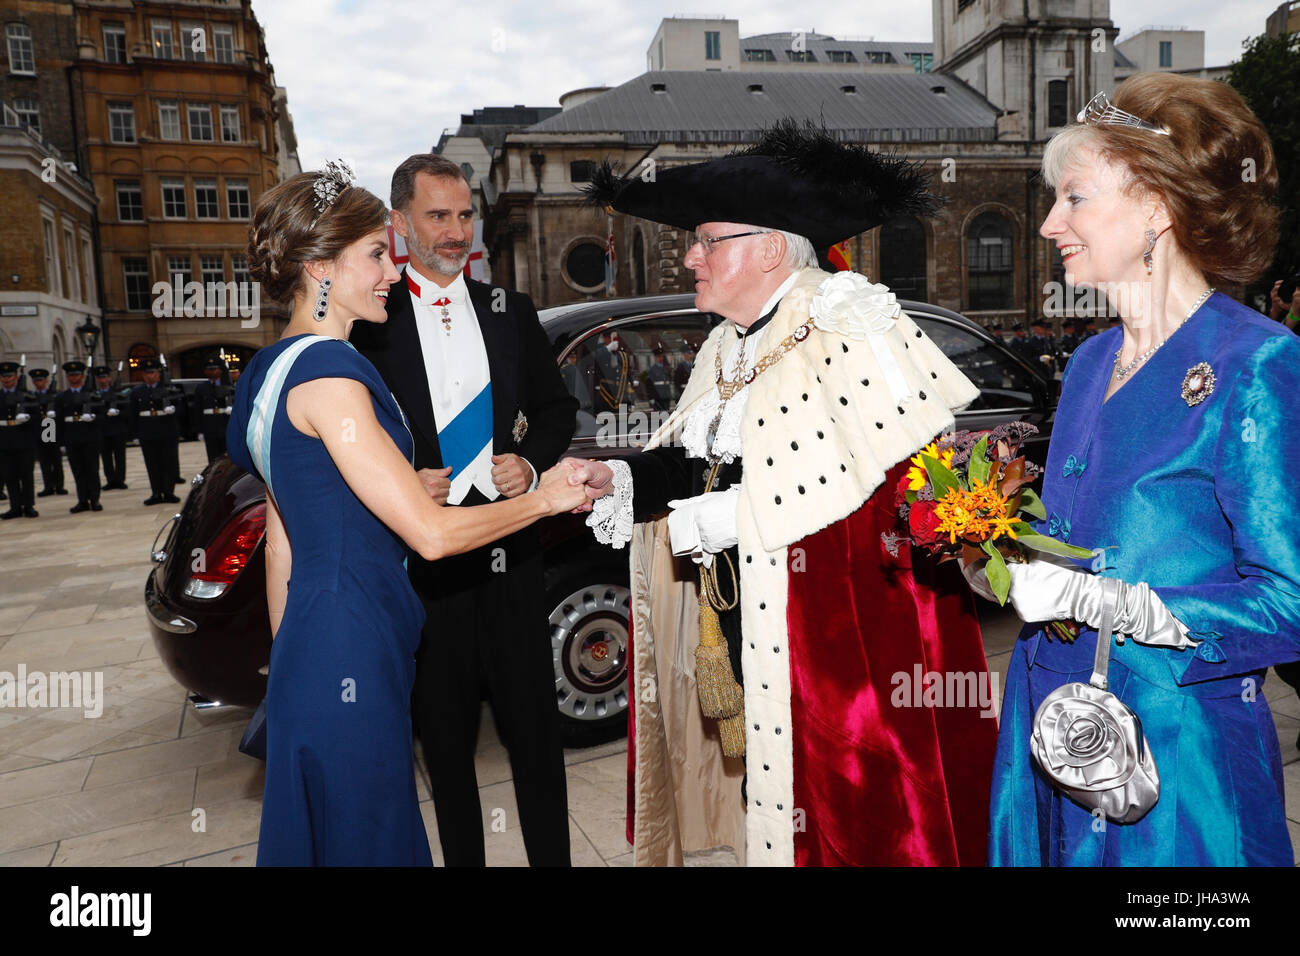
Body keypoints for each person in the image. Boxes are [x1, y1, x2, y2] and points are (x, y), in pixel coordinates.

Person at [565, 121, 998, 866]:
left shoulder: (852, 320)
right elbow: (701, 459)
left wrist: (727, 518)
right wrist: (624, 478)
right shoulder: (728, 339)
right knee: (774, 805)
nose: (691, 256)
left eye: (707, 239)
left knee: (849, 816)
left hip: (840, 642)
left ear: (769, 247)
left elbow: (891, 506)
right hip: (749, 620)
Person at [228, 164, 585, 867]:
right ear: (320, 267)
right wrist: (550, 497)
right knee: (370, 834)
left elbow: (281, 546)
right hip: (353, 637)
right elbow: (430, 535)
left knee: (331, 835)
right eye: (374, 255)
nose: (389, 270)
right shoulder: (333, 375)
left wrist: (294, 656)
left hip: (313, 642)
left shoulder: (269, 369)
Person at [985, 75, 1300, 866]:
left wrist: (1113, 603)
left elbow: (1288, 601)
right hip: (1052, 718)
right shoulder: (1090, 361)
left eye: (1075, 198)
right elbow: (1084, 535)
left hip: (1172, 758)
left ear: (1158, 207)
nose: (1052, 222)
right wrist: (996, 548)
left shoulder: (1255, 362)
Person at [350, 154, 579, 867]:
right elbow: (349, 435)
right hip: (427, 569)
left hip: (513, 557)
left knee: (536, 737)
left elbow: (555, 407)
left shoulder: (510, 311)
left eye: (464, 215)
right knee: (444, 746)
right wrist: (400, 479)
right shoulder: (370, 322)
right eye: (437, 216)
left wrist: (532, 462)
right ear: (399, 223)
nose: (455, 232)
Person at [128, 359, 180, 505]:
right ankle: (156, 492)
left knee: (168, 462)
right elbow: (132, 414)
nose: (149, 376)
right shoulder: (137, 392)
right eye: (146, 373)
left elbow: (183, 409)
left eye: (152, 373)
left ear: (158, 373)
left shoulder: (170, 389)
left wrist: (173, 409)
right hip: (147, 431)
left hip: (166, 430)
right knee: (152, 464)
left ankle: (169, 492)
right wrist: (134, 434)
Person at [54, 361, 103, 513]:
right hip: (72, 438)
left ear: (82, 376)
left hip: (89, 437)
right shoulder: (62, 397)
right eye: (70, 375)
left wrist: (93, 416)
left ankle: (94, 499)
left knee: (92, 470)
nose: (73, 378)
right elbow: (58, 421)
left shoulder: (93, 394)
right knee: (78, 471)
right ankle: (82, 500)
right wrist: (59, 441)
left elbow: (103, 416)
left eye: (76, 375)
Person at [0, 361, 38, 519]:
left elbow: (38, 419)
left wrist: (27, 417)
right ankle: (15, 506)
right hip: (4, 441)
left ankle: (28, 506)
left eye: (9, 376)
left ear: (16, 377)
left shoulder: (28, 395)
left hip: (24, 440)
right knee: (9, 476)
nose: (6, 379)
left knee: (26, 475)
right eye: (3, 377)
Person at [27, 368, 65, 497]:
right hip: (39, 432)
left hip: (53, 430)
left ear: (46, 380)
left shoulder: (55, 395)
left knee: (56, 461)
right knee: (44, 461)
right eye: (36, 380)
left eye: (41, 380)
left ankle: (59, 485)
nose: (39, 383)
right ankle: (48, 486)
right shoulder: (31, 397)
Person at [93, 366, 128, 489]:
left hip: (118, 429)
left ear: (109, 378)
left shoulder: (118, 393)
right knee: (106, 457)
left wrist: (118, 412)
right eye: (99, 378)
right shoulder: (94, 395)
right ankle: (110, 480)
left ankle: (120, 480)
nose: (102, 380)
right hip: (102, 430)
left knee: (120, 456)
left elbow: (127, 411)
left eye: (104, 377)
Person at [193, 357, 234, 462]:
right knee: (213, 458)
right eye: (209, 369)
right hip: (209, 427)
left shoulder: (230, 386)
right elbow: (197, 410)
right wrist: (199, 430)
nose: (212, 372)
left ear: (220, 370)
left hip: (226, 425)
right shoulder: (201, 388)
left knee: (228, 457)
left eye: (214, 369)